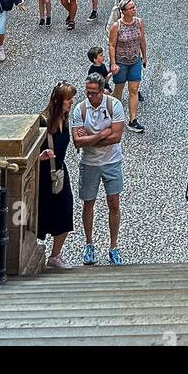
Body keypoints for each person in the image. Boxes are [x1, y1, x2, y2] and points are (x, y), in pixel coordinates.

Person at [71, 74, 126, 266]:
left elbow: (117, 136)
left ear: (102, 91)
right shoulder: (80, 109)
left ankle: (113, 246)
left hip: (111, 161)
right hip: (89, 163)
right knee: (88, 203)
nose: (90, 96)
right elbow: (77, 141)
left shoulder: (114, 105)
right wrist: (103, 133)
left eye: (94, 93)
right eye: (88, 92)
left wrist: (91, 138)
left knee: (114, 204)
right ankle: (89, 244)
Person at [39, 81, 76, 269]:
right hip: (42, 175)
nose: (71, 103)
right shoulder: (42, 121)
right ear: (57, 101)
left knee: (65, 211)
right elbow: (29, 152)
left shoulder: (65, 118)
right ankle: (34, 251)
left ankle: (55, 255)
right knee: (39, 214)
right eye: (68, 100)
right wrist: (40, 157)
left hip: (60, 172)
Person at [108, 0, 147, 134]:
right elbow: (112, 45)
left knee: (134, 89)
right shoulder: (116, 26)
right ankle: (112, 115)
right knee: (118, 88)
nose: (134, 9)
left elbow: (142, 39)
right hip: (121, 61)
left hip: (135, 59)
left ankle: (133, 120)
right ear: (124, 11)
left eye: (134, 7)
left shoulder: (139, 22)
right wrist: (113, 63)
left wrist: (144, 56)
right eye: (131, 8)